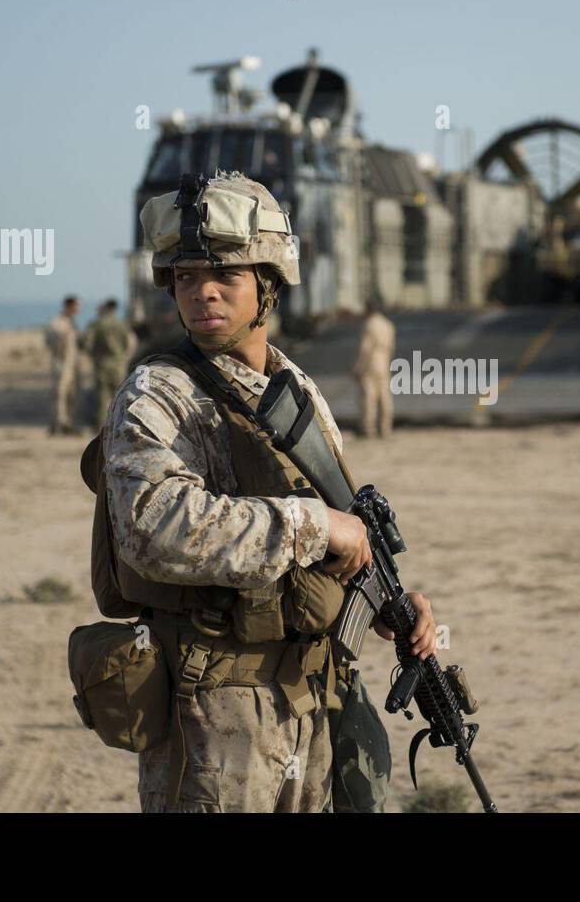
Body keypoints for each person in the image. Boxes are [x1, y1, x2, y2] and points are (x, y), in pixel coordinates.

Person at [103, 171, 435, 812]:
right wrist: (315, 526)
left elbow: (339, 532)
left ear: (268, 284)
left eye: (224, 276)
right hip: (215, 709)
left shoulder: (293, 389)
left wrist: (388, 598)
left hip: (309, 695)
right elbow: (153, 528)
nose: (202, 293)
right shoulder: (158, 394)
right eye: (185, 277)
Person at [79, 299, 135, 432]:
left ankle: (101, 428)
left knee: (102, 397)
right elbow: (129, 343)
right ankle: (121, 426)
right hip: (119, 365)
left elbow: (86, 343)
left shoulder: (97, 324)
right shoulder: (121, 324)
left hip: (102, 364)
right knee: (120, 397)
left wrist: (92, 353)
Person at [351, 300, 396, 439]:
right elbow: (391, 347)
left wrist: (358, 367)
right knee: (385, 398)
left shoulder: (369, 325)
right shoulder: (388, 325)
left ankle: (368, 429)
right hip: (384, 363)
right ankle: (385, 428)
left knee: (368, 399)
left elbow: (366, 349)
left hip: (370, 365)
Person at [44, 296, 80, 435]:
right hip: (61, 365)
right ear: (69, 306)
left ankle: (68, 423)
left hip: (72, 365)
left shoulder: (71, 323)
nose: (78, 310)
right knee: (59, 395)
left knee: (72, 396)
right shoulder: (57, 323)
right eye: (76, 306)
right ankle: (58, 424)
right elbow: (50, 340)